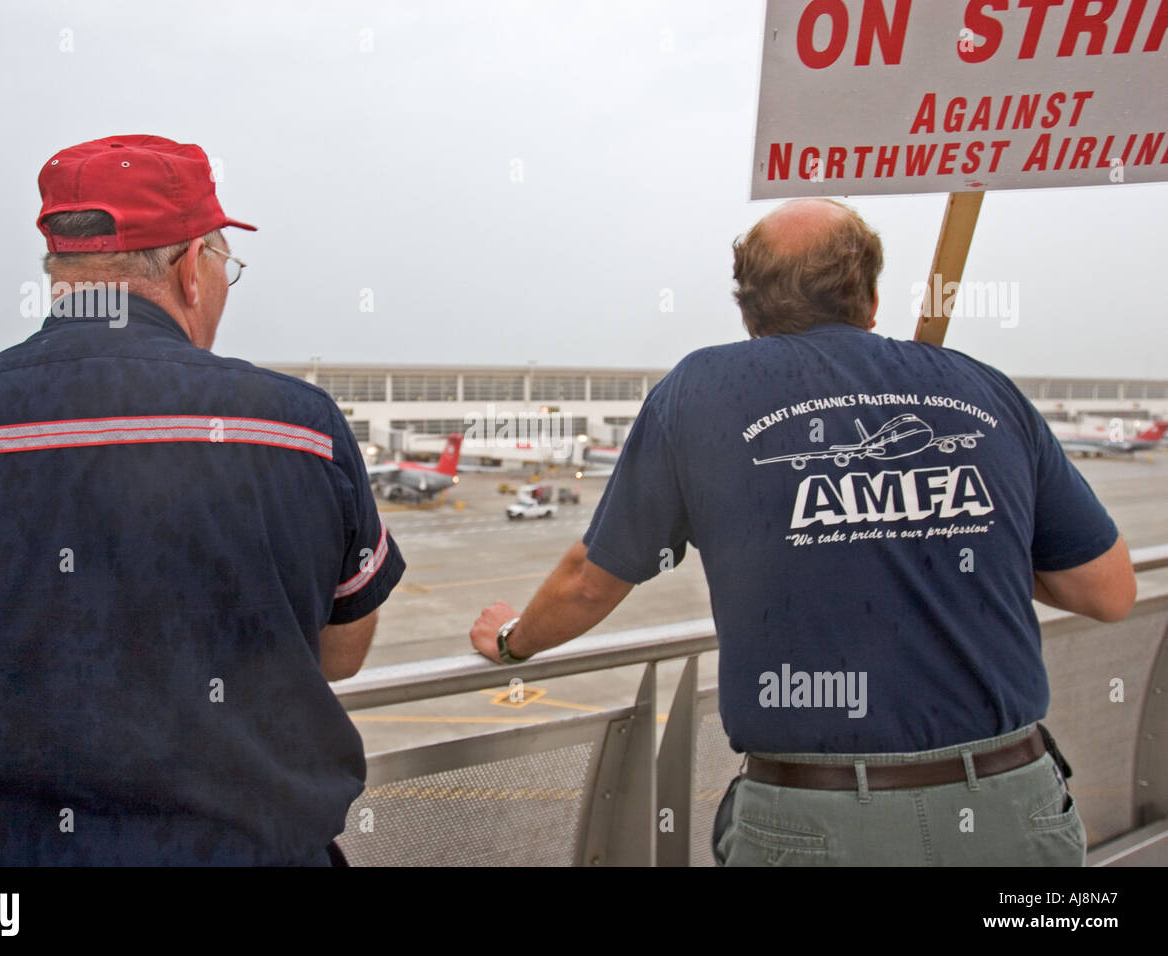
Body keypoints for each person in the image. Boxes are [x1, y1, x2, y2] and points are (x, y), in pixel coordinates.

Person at [470, 198, 1136, 866]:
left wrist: (512, 642)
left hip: (817, 823)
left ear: (749, 309)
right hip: (1013, 810)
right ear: (872, 298)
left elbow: (592, 581)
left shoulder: (701, 388)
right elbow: (1108, 593)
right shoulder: (983, 389)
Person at [0, 134, 403, 865]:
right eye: (225, 265)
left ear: (59, 273)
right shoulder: (297, 428)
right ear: (191, 268)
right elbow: (340, 656)